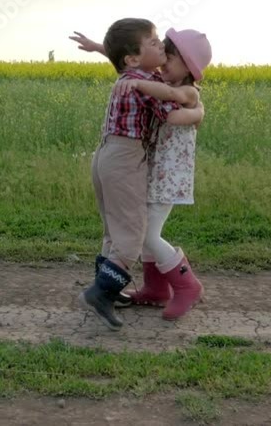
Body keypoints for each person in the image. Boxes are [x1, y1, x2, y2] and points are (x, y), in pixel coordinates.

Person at [72, 27, 212, 320]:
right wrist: (101, 47)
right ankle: (156, 289)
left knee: (147, 234)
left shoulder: (188, 92)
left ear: (188, 66)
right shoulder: (161, 82)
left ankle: (187, 286)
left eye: (168, 60)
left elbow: (174, 112)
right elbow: (134, 62)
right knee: (145, 229)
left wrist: (197, 113)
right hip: (152, 172)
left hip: (169, 178)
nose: (162, 65)